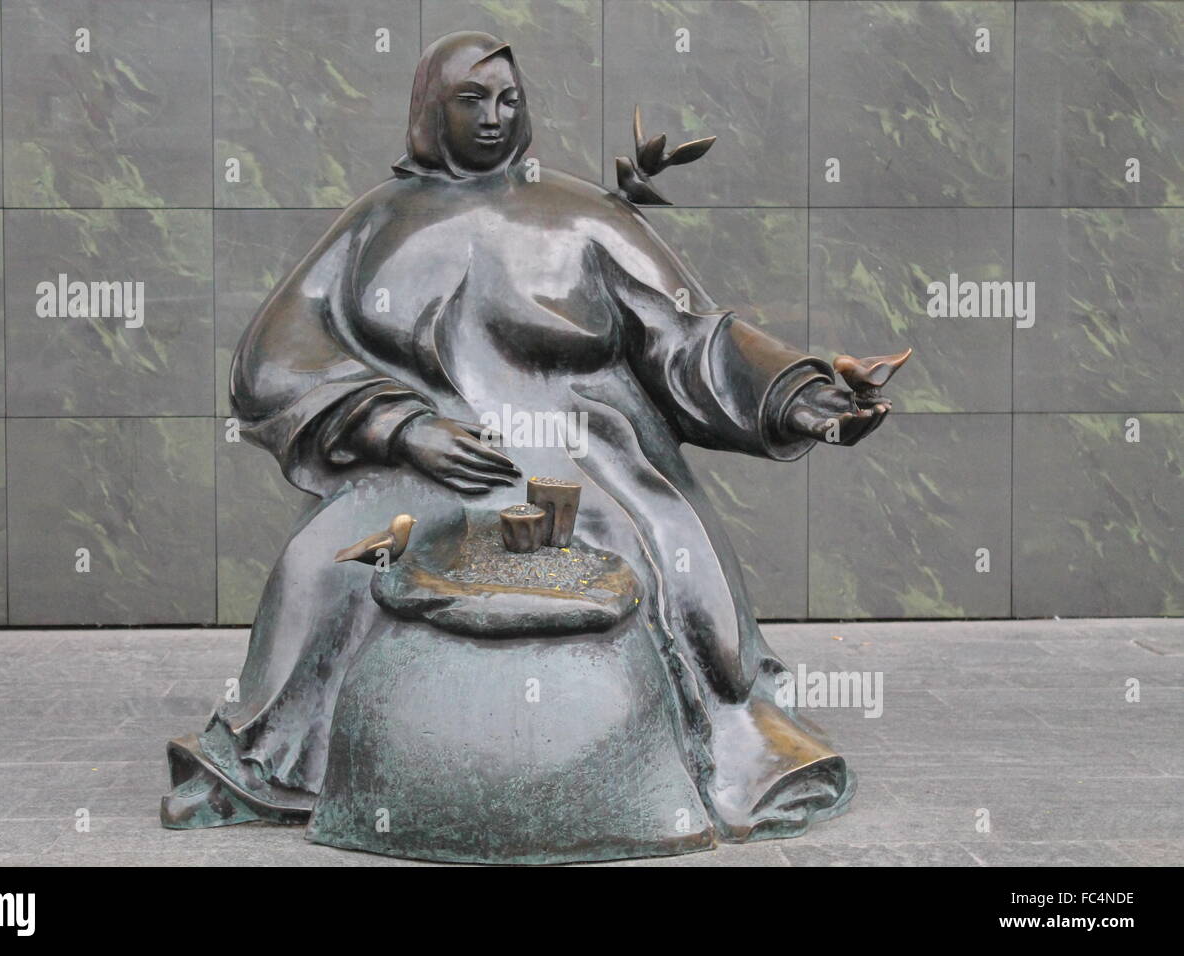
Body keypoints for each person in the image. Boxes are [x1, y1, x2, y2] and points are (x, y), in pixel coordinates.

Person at [163, 31, 896, 847]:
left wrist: (803, 397)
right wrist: (401, 427)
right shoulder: (374, 223)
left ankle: (729, 751)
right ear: (428, 108)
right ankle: (268, 766)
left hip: (588, 469)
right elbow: (274, 357)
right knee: (316, 568)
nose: (493, 116)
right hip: (424, 471)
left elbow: (692, 340)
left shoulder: (582, 215)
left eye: (509, 100)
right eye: (471, 99)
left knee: (667, 564)